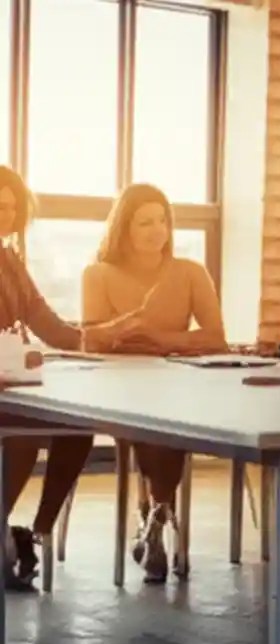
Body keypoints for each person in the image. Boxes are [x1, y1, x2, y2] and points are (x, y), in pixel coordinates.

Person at [0, 166, 141, 590]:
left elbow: (48, 324)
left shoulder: (10, 260)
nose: (4, 215)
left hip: (11, 384)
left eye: (10, 208)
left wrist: (101, 336)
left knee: (78, 425)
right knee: (21, 433)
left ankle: (39, 530)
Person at [82, 183, 228, 584]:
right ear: (123, 228)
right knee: (154, 419)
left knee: (171, 418)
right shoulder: (98, 274)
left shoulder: (190, 272)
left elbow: (216, 338)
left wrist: (162, 339)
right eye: (144, 221)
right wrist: (122, 328)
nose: (156, 230)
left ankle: (153, 518)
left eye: (162, 220)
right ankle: (157, 517)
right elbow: (90, 339)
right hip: (120, 385)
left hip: (175, 383)